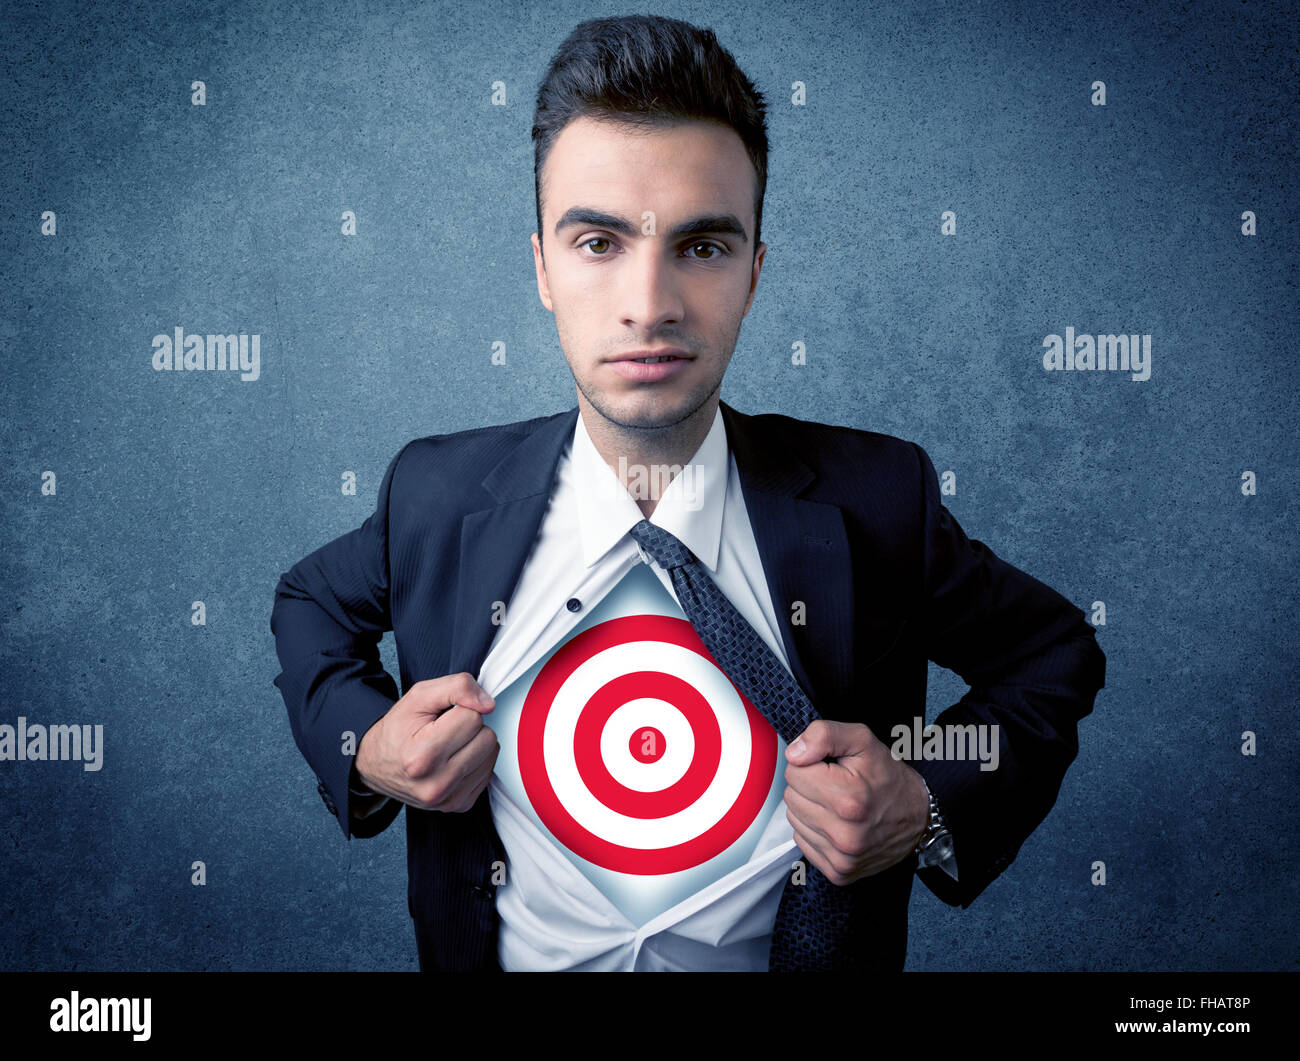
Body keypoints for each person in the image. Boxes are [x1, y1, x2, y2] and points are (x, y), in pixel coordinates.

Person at [270, 13, 1106, 972]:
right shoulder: (434, 490)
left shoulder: (881, 500)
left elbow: (1051, 654)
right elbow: (310, 606)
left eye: (702, 247)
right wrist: (364, 746)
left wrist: (924, 803)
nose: (650, 302)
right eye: (598, 242)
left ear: (754, 271)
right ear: (541, 266)